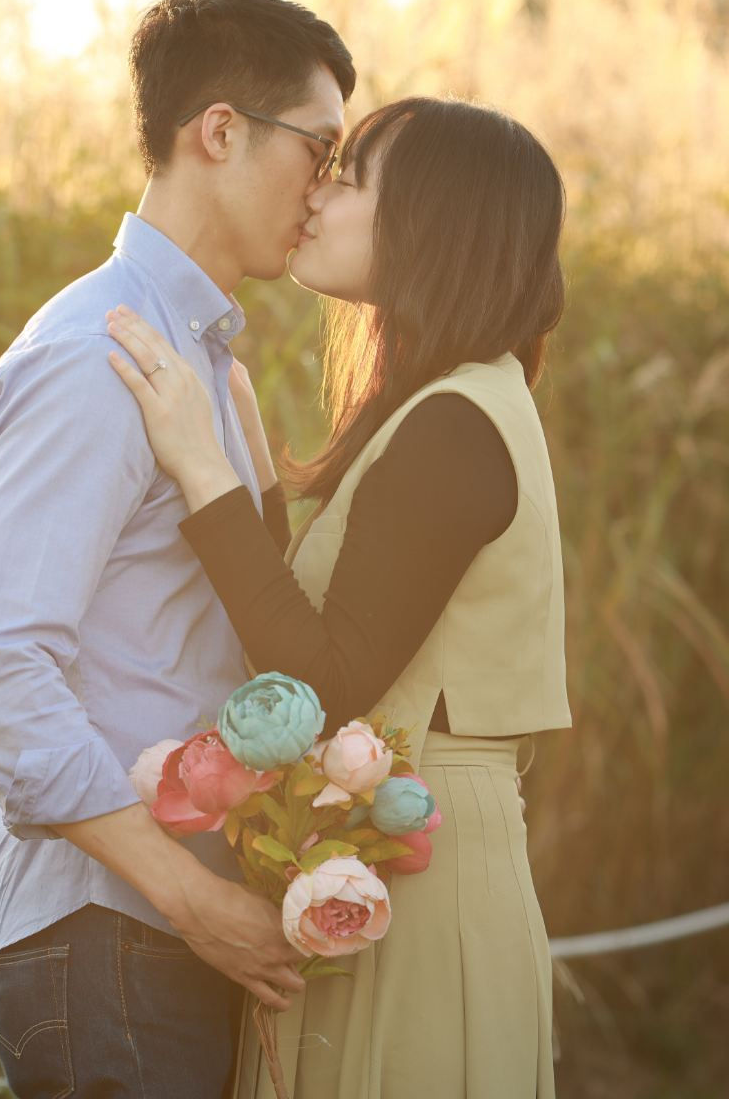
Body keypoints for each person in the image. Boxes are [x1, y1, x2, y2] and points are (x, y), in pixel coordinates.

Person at [105, 94, 572, 1099]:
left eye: (351, 175)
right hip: (390, 858)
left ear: (434, 220)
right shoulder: (451, 404)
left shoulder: (455, 423)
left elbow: (322, 682)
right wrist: (252, 478)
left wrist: (202, 475)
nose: (319, 192)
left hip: (425, 879)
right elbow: (347, 626)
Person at [0, 0, 355, 1099]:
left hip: (153, 933)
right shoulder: (98, 356)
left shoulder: (202, 365)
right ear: (218, 132)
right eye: (317, 149)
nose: (324, 190)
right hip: (110, 931)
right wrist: (193, 897)